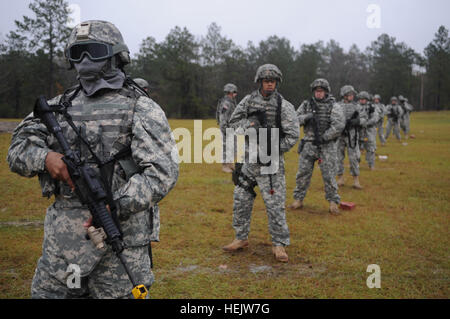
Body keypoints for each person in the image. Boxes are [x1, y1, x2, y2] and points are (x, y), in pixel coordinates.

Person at [7, 20, 179, 299]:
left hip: (119, 242)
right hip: (63, 245)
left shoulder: (140, 107)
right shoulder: (58, 107)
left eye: (94, 51)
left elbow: (162, 172)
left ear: (115, 55)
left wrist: (116, 204)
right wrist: (46, 157)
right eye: (78, 53)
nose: (85, 60)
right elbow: (17, 149)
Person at [222, 64, 299, 262]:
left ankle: (279, 244)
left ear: (277, 82)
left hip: (270, 163)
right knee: (241, 199)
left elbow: (293, 135)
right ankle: (240, 238)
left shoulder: (284, 105)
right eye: (266, 81)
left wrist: (274, 147)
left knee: (274, 205)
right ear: (260, 82)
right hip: (249, 162)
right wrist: (249, 125)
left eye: (272, 81)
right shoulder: (248, 101)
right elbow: (232, 123)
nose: (269, 84)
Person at [289, 79, 345, 215]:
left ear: (326, 92)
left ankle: (333, 202)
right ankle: (298, 199)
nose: (318, 93)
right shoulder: (306, 104)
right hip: (308, 144)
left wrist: (325, 137)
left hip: (326, 146)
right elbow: (293, 120)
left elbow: (338, 125)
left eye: (321, 91)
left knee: (329, 175)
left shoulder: (334, 105)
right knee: (302, 174)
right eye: (316, 91)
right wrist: (306, 117)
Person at [336, 85, 367, 189]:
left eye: (353, 94)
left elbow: (364, 119)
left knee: (354, 158)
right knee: (338, 157)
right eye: (350, 94)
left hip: (352, 136)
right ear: (345, 95)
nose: (353, 96)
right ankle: (340, 178)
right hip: (339, 135)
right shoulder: (337, 106)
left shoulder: (357, 106)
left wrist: (357, 121)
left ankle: (356, 180)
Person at [216, 83, 238, 173]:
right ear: (231, 92)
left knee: (233, 147)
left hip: (232, 128)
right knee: (226, 147)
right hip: (226, 129)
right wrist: (224, 128)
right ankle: (225, 166)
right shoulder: (226, 103)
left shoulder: (232, 102)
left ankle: (230, 164)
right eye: (235, 92)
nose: (236, 94)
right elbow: (223, 116)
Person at [357, 91, 380, 170]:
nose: (362, 100)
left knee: (371, 148)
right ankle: (356, 164)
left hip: (369, 130)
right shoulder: (355, 107)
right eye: (361, 99)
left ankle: (371, 164)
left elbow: (375, 118)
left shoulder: (372, 107)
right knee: (356, 148)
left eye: (364, 99)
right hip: (358, 130)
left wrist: (367, 123)